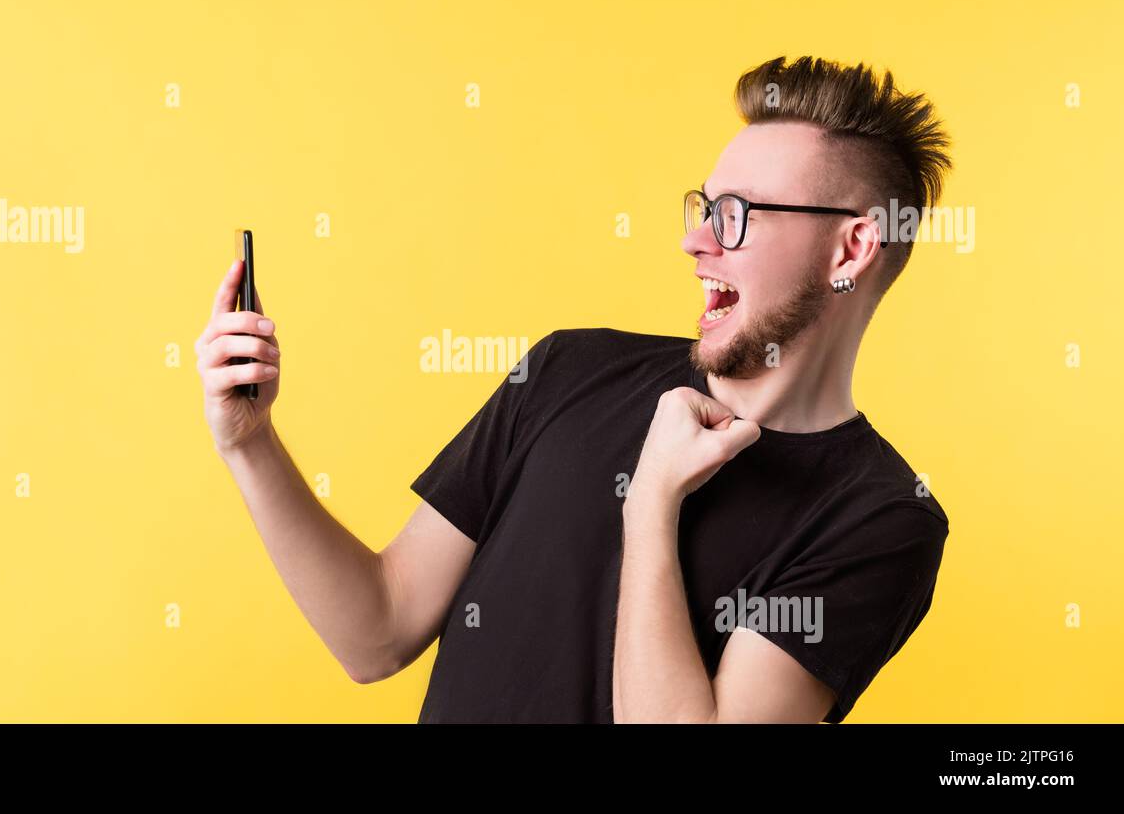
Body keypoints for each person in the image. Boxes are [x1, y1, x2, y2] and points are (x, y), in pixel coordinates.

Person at [194, 55, 953, 723]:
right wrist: (250, 444)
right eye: (703, 207)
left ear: (852, 245)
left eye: (737, 215)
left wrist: (651, 502)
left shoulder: (882, 518)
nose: (695, 240)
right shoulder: (566, 371)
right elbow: (376, 631)